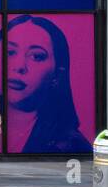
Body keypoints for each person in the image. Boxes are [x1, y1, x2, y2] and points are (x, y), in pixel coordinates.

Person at [5, 15, 91, 153]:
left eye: (36, 56)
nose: (19, 66)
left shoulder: (70, 145)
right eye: (9, 52)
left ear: (56, 74)